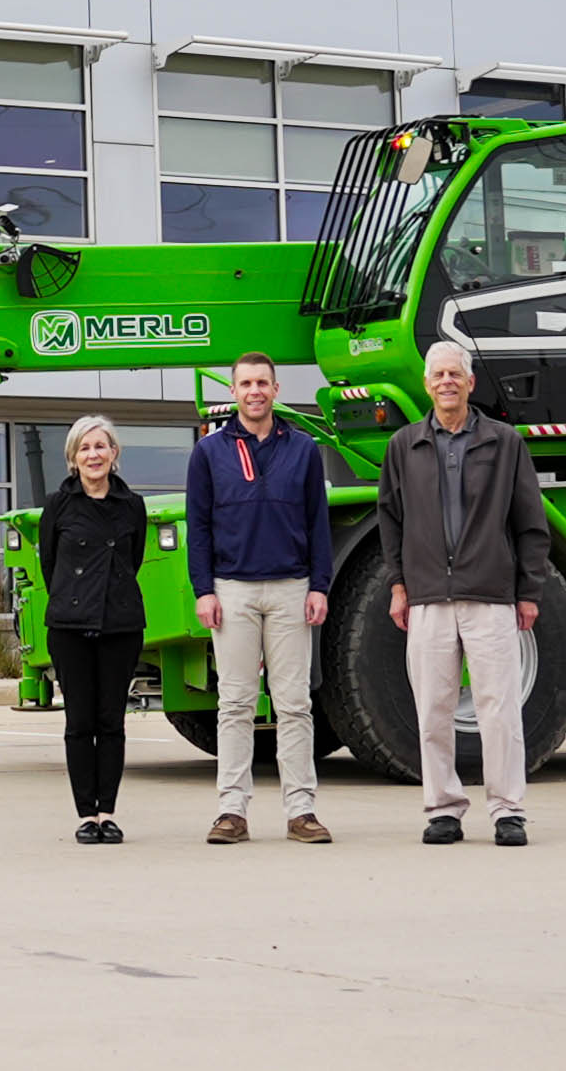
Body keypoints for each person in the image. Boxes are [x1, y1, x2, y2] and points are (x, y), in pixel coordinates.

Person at [374, 339, 560, 847]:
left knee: (498, 707)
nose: (447, 382)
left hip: (490, 594)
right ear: (427, 384)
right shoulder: (404, 446)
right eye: (438, 375)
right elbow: (390, 521)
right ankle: (443, 810)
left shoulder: (504, 442)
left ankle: (508, 811)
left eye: (456, 374)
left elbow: (530, 522)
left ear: (471, 382)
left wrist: (529, 591)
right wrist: (398, 584)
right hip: (428, 597)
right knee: (433, 709)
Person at [186, 353, 334, 844]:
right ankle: (232, 811)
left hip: (292, 588)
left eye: (262, 383)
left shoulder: (304, 448)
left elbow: (318, 524)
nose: (254, 391)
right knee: (235, 704)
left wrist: (320, 585)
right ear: (233, 392)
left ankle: (301, 811)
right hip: (233, 590)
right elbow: (199, 527)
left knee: (294, 704)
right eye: (245, 383)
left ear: (276, 389)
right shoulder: (209, 452)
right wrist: (203, 590)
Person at [35, 414, 151, 844]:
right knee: (79, 723)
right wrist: (72, 600)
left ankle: (108, 812)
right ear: (73, 458)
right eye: (84, 448)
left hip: (120, 624)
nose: (93, 455)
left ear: (114, 454)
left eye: (100, 446)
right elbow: (50, 564)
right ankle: (86, 814)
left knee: (112, 722)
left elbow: (131, 559)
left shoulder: (132, 505)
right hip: (69, 625)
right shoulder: (59, 505)